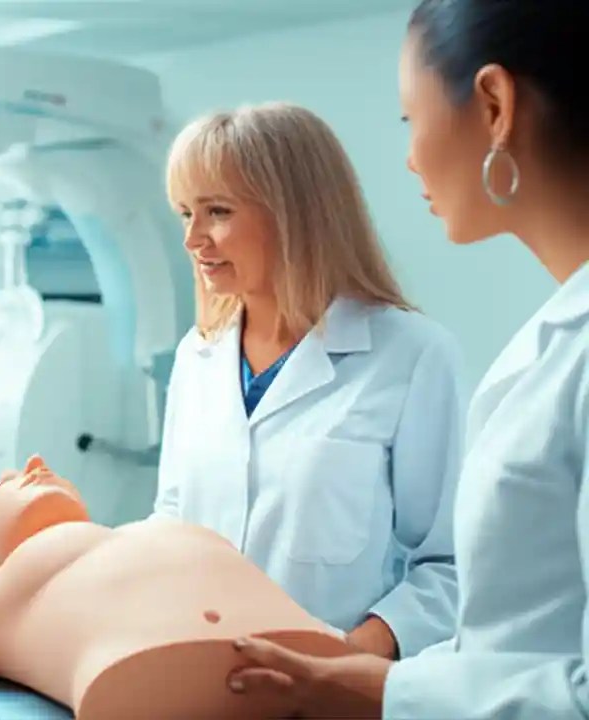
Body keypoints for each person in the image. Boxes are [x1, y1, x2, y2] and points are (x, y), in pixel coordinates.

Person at [225, 1, 589, 717]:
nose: (410, 155)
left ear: (493, 104)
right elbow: (514, 639)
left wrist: (373, 683)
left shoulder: (432, 352)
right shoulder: (554, 338)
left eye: (408, 120)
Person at [154, 101, 464, 661]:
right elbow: (172, 523)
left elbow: (448, 566)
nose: (193, 240)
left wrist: (345, 659)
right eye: (184, 214)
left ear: (297, 214)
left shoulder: (412, 355)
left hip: (337, 693)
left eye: (217, 212)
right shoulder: (197, 356)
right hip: (199, 675)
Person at [0, 455, 353, 719]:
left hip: (303, 638)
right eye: (10, 481)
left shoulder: (135, 534)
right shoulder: (0, 590)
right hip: (139, 662)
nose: (36, 464)